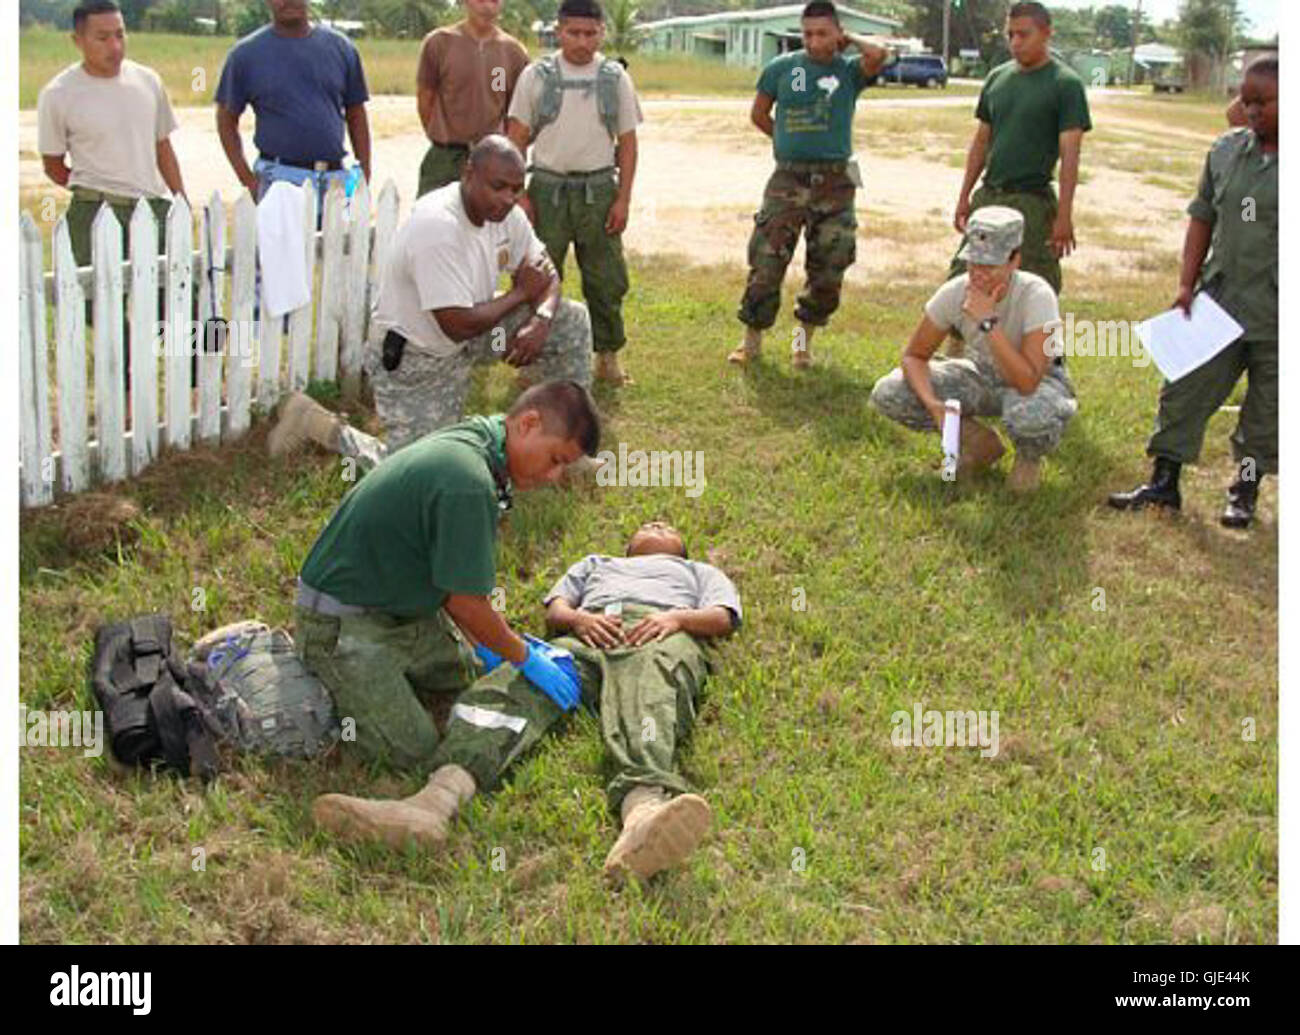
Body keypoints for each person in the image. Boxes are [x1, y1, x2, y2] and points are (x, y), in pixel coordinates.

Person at [313, 520, 741, 885]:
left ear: (681, 551)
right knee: (509, 687)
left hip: (658, 636)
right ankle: (432, 803)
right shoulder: (597, 564)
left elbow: (722, 617)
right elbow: (557, 610)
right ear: (626, 549)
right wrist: (579, 619)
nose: (656, 523)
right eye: (646, 525)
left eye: (666, 526)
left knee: (648, 698)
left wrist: (675, 618)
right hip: (583, 637)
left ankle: (643, 813)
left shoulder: (697, 571)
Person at [293, 380, 601, 777]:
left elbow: (451, 576)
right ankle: (320, 690)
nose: (554, 476)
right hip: (344, 624)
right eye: (556, 459)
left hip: (403, 611)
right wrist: (523, 655)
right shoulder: (468, 480)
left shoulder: (483, 441)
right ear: (528, 423)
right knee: (414, 753)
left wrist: (495, 647)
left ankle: (391, 676)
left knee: (474, 673)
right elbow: (465, 602)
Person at [270, 136, 593, 458]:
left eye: (516, 189)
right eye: (498, 186)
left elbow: (546, 273)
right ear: (469, 173)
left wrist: (541, 318)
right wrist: (521, 292)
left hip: (481, 336)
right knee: (423, 468)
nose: (508, 198)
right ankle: (316, 423)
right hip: (418, 358)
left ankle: (560, 443)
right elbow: (457, 324)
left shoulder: (508, 215)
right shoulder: (438, 226)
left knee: (571, 318)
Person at [1108, 57, 1277, 529]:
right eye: (1247, 101)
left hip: (1280, 314)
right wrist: (1185, 284)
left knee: (1267, 412)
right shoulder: (1224, 152)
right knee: (1184, 389)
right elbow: (1202, 216)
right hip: (1220, 299)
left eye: (1264, 102)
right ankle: (1165, 482)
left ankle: (1244, 489)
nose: (1252, 110)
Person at [870, 207, 1077, 492]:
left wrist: (988, 323)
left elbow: (1028, 380)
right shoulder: (955, 292)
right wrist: (935, 407)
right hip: (982, 374)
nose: (978, 275)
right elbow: (914, 356)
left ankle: (1028, 460)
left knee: (1031, 414)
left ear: (1015, 260)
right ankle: (979, 442)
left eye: (990, 266)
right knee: (890, 392)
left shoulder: (1038, 295)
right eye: (973, 264)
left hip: (1039, 381)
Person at [729, 1, 887, 370]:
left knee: (830, 265)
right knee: (767, 259)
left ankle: (802, 344)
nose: (814, 41)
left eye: (823, 33)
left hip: (837, 180)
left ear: (838, 33)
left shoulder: (849, 71)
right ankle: (751, 342)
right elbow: (758, 114)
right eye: (808, 33)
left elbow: (880, 54)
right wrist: (785, 140)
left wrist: (851, 40)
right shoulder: (782, 69)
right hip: (788, 178)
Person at [506, 0, 643, 386]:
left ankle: (608, 356)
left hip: (598, 189)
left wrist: (623, 199)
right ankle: (532, 358)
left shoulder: (615, 78)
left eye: (590, 33)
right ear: (559, 31)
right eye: (573, 33)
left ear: (602, 32)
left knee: (605, 278)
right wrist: (519, 195)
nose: (582, 42)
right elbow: (515, 140)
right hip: (546, 188)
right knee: (536, 277)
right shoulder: (536, 75)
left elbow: (628, 145)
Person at [950, 1, 1091, 295]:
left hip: (1032, 202)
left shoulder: (1065, 84)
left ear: (1047, 33)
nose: (1015, 43)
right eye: (1010, 35)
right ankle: (962, 341)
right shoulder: (997, 78)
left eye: (1024, 35)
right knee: (966, 281)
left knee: (1034, 288)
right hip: (990, 196)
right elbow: (981, 142)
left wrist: (1064, 215)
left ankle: (1032, 342)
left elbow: (1070, 157)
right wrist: (964, 196)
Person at [37, 0, 186, 267]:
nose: (115, 46)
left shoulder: (148, 80)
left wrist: (180, 200)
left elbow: (162, 145)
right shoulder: (58, 94)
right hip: (94, 212)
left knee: (172, 295)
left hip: (151, 207)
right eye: (102, 38)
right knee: (93, 303)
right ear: (77, 40)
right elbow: (53, 166)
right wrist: (96, 188)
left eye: (120, 34)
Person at [215, 0, 370, 206]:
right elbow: (226, 119)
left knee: (336, 239)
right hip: (279, 179)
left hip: (335, 180)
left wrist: (364, 174)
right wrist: (248, 181)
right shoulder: (246, 55)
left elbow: (356, 114)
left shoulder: (342, 48)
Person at [416, 0, 529, 198]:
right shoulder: (439, 43)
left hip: (492, 159)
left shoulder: (512, 52)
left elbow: (512, 111)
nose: (487, 6)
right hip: (445, 157)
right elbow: (426, 98)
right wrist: (442, 137)